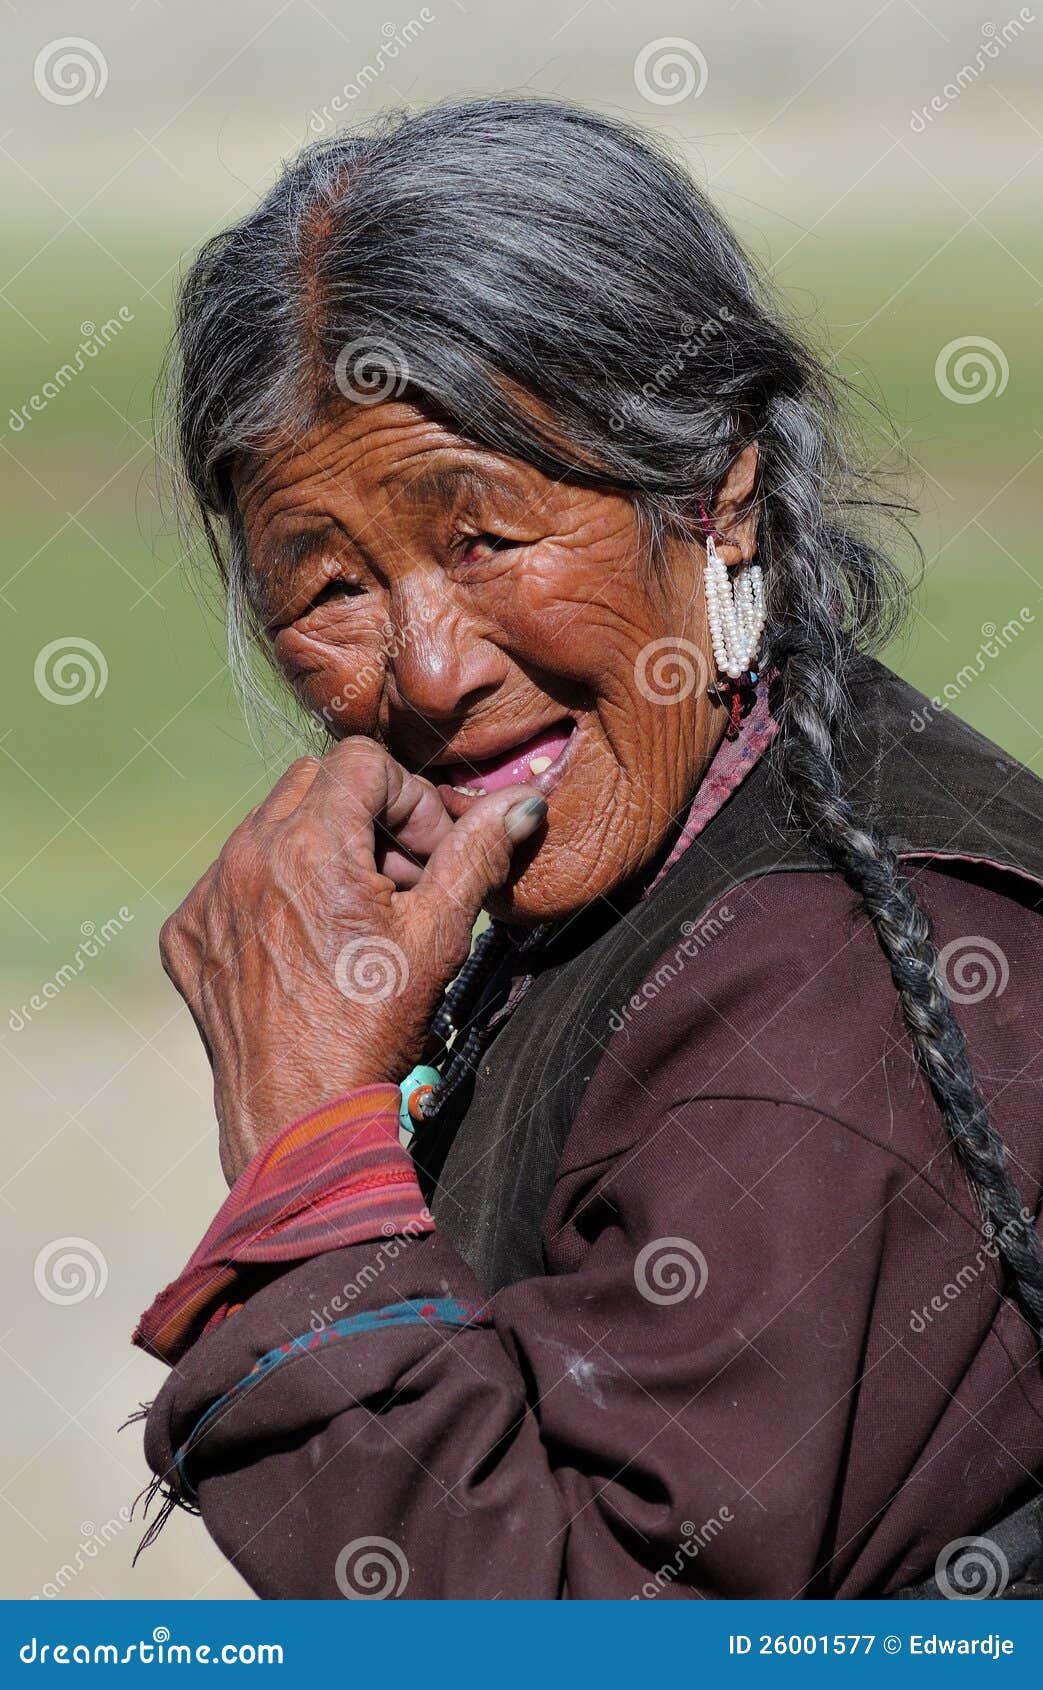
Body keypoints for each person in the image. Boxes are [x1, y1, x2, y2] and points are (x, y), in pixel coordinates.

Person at [133, 99, 1043, 1600]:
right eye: (330, 588)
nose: (425, 670)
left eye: (485, 538)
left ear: (719, 496)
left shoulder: (821, 992)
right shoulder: (656, 868)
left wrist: (311, 1166)